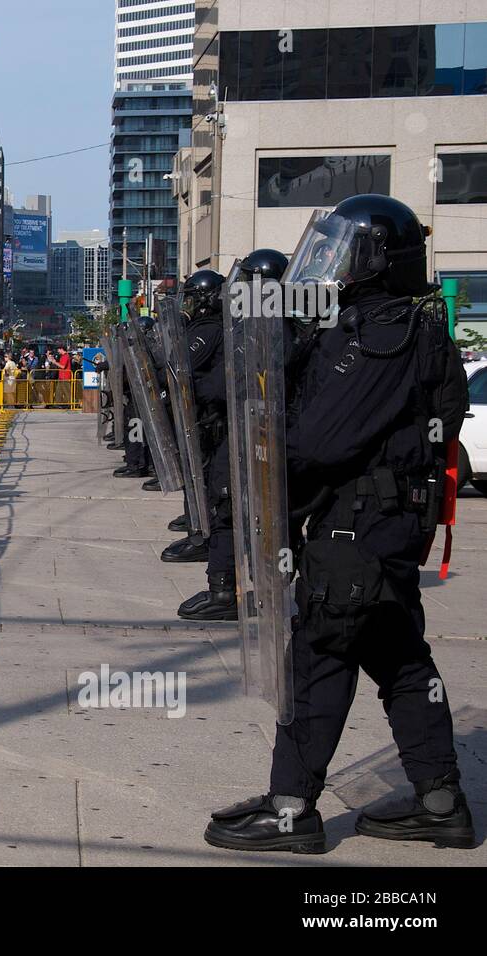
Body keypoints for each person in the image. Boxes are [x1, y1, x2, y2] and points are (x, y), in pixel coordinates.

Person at [205, 195, 474, 854]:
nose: (331, 264)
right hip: (378, 524)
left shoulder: (383, 332)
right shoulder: (390, 324)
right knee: (399, 658)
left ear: (377, 260)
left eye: (344, 251)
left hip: (359, 525)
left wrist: (268, 452)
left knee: (320, 656)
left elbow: (320, 443)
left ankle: (293, 809)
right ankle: (441, 804)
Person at [179, 251, 288, 621]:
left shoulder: (265, 330)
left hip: (250, 432)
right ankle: (256, 582)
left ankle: (226, 589)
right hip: (245, 430)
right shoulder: (255, 327)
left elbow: (221, 385)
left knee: (228, 507)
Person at [159, 269, 226, 563]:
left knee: (202, 476)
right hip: (198, 414)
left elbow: (177, 365)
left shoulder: (210, 329)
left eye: (193, 300)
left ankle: (202, 534)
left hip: (206, 417)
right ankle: (196, 524)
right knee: (195, 474)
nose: (188, 307)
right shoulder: (204, 326)